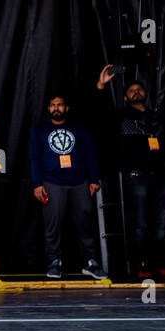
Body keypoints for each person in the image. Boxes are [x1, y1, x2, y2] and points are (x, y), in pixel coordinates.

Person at [96, 66, 165, 278]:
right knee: (141, 223)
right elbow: (100, 112)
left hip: (163, 177)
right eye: (131, 90)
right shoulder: (121, 117)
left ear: (146, 94)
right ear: (125, 98)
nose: (136, 92)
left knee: (161, 223)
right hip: (136, 176)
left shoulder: (158, 118)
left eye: (139, 89)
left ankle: (160, 263)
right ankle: (142, 264)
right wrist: (101, 85)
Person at [28, 94, 106, 279]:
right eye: (53, 105)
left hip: (79, 181)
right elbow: (34, 159)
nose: (56, 108)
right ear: (48, 109)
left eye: (60, 105)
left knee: (85, 223)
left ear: (67, 108)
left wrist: (94, 179)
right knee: (52, 225)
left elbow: (90, 155)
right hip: (52, 182)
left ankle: (90, 262)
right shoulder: (40, 131)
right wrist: (37, 184)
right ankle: (55, 262)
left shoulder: (79, 129)